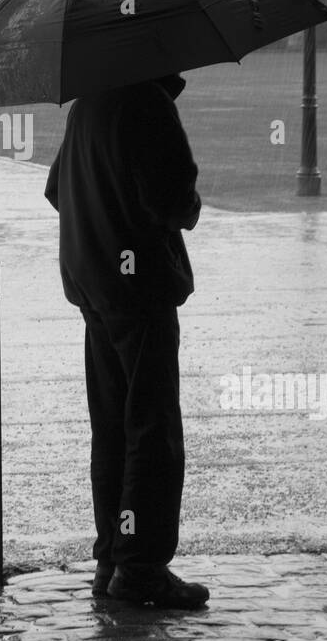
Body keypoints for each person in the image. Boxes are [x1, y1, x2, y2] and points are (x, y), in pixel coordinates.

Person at [44, 73, 208, 609]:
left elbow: (55, 189)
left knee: (112, 429)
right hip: (138, 290)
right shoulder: (147, 102)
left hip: (93, 286)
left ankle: (112, 557)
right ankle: (140, 568)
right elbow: (173, 199)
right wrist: (188, 204)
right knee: (152, 430)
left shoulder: (89, 101)